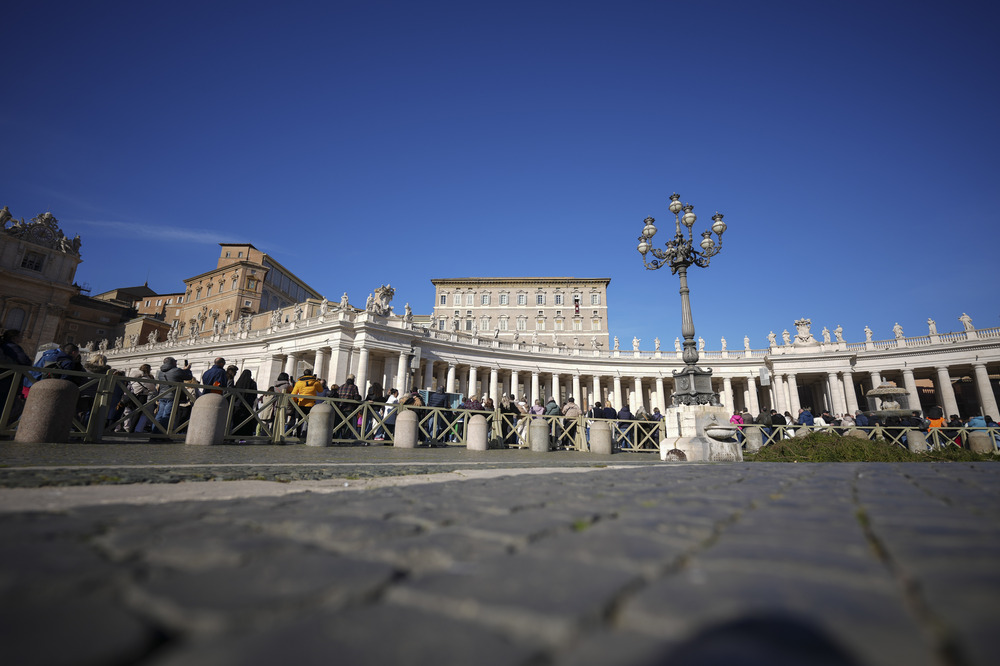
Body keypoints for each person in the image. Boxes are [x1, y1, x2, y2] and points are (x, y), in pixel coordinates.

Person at [154, 357, 192, 432]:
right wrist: (188, 369)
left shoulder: (160, 372)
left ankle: (154, 432)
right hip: (172, 396)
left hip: (162, 395)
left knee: (159, 415)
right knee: (167, 415)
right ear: (172, 362)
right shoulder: (177, 370)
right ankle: (163, 434)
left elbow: (173, 375)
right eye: (175, 361)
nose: (176, 363)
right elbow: (188, 377)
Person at [291, 368, 322, 437]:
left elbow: (293, 394)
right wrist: (318, 381)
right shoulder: (315, 382)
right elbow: (320, 390)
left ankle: (298, 436)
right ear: (311, 374)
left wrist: (295, 402)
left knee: (299, 421)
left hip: (301, 403)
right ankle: (308, 436)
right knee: (310, 421)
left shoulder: (299, 383)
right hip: (311, 404)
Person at [125, 364, 155, 433]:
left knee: (131, 412)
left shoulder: (134, 376)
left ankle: (128, 427)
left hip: (133, 395)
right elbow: (152, 388)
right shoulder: (145, 378)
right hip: (142, 396)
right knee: (138, 413)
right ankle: (132, 429)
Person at [232, 369, 258, 437]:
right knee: (246, 422)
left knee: (236, 421)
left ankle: (233, 436)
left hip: (237, 405)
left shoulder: (239, 382)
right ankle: (243, 437)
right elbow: (254, 395)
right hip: (247, 405)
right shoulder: (253, 383)